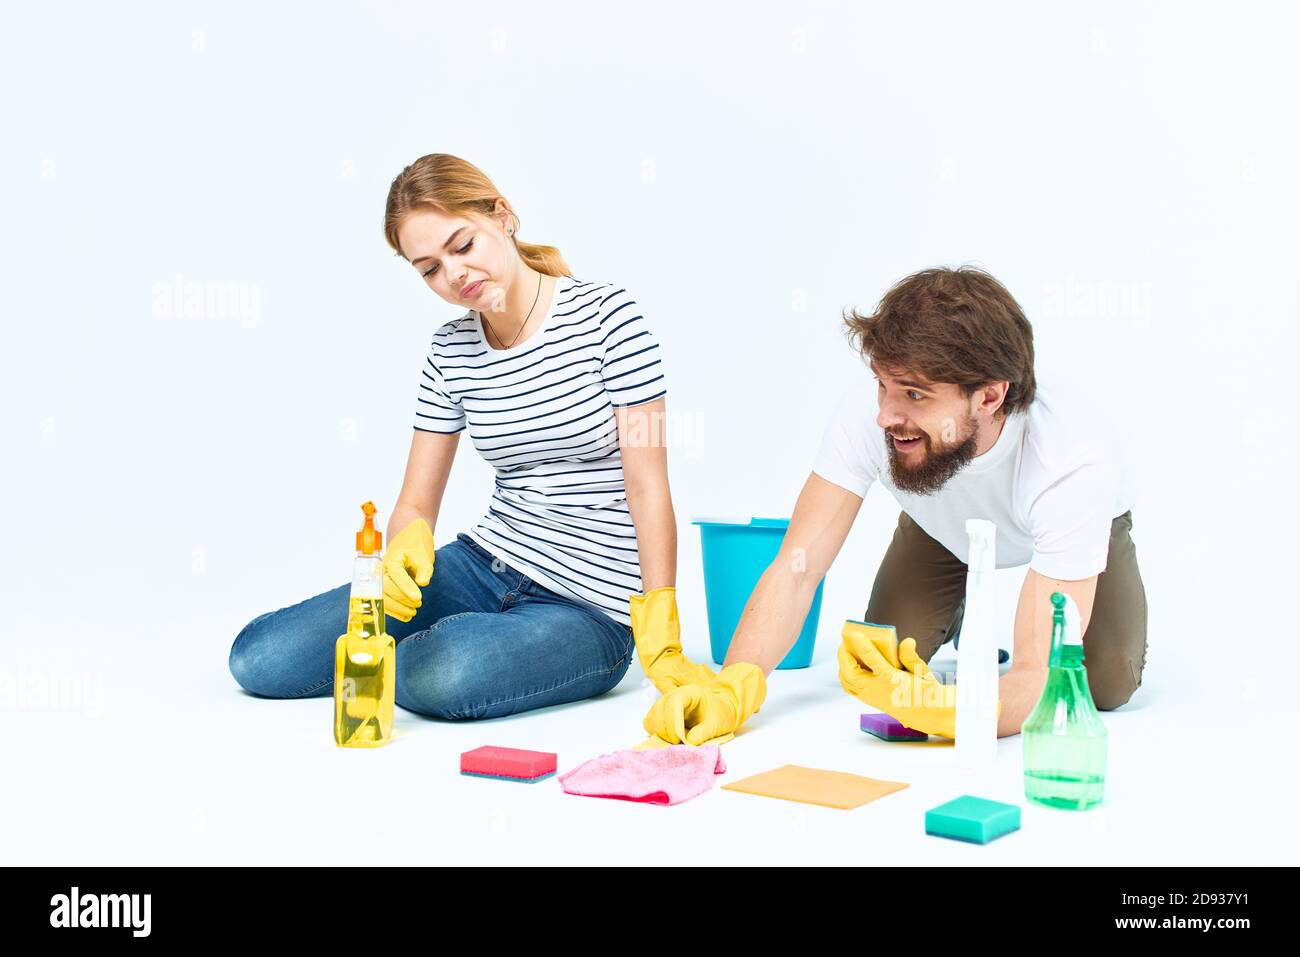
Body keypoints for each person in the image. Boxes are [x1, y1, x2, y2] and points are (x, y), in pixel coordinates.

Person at [229, 152, 685, 721]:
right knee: (261, 660)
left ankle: (457, 648)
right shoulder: (450, 351)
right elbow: (416, 501)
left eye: (462, 246)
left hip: (589, 609)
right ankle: (456, 639)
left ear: (503, 216)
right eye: (429, 268)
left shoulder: (612, 320)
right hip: (484, 562)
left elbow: (648, 487)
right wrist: (404, 547)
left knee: (442, 672)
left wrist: (660, 614)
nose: (454, 276)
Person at [642, 266, 1146, 744]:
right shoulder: (870, 416)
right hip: (940, 516)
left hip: (1076, 529)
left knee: (1101, 682)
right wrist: (734, 685)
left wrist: (954, 715)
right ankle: (953, 616)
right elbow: (797, 569)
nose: (886, 415)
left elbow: (1036, 673)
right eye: (882, 384)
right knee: (885, 661)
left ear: (989, 397)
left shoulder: (1071, 456)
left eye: (914, 394)